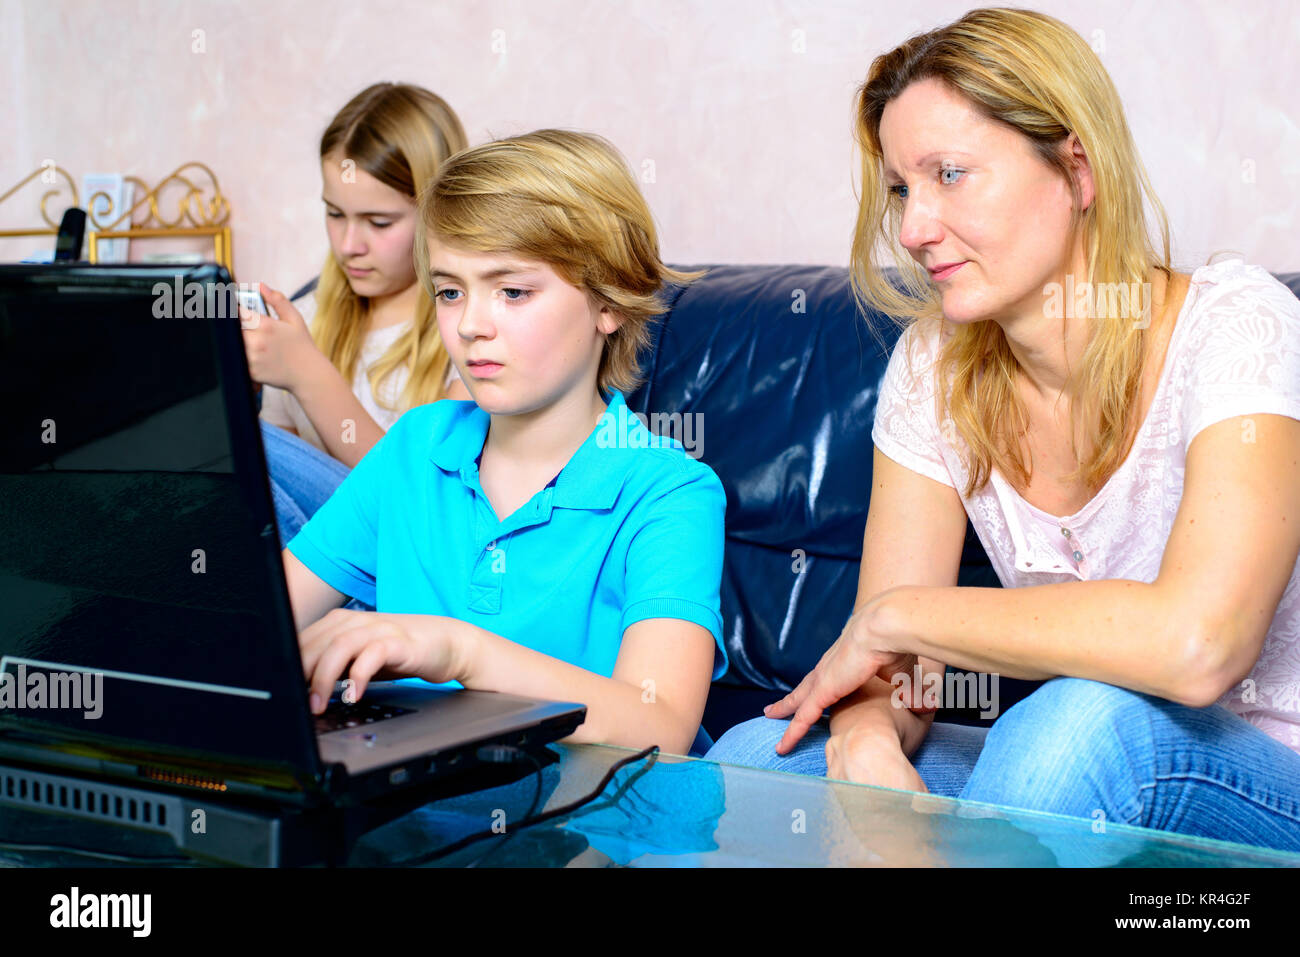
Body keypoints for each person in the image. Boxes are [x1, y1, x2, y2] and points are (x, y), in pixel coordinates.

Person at [706, 7, 1300, 853]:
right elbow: (892, 659)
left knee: (1076, 719)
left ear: (1077, 169)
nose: (912, 229)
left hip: (1267, 785)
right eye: (904, 189)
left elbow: (1201, 646)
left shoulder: (1238, 324)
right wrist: (871, 734)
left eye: (950, 174)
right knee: (761, 757)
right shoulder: (933, 365)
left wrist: (898, 618)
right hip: (1074, 768)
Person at [280, 129, 728, 757]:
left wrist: (457, 649)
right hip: (410, 812)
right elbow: (256, 626)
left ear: (609, 303)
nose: (469, 326)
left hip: (587, 832)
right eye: (449, 290)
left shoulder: (670, 491)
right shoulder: (416, 446)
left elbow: (660, 726)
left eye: (512, 291)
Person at [243, 82, 473, 555]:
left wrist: (307, 374)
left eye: (379, 222)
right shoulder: (304, 318)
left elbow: (420, 497)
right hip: (307, 566)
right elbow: (275, 503)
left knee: (253, 445)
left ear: (437, 212)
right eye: (334, 214)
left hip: (409, 556)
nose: (349, 245)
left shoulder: (472, 325)